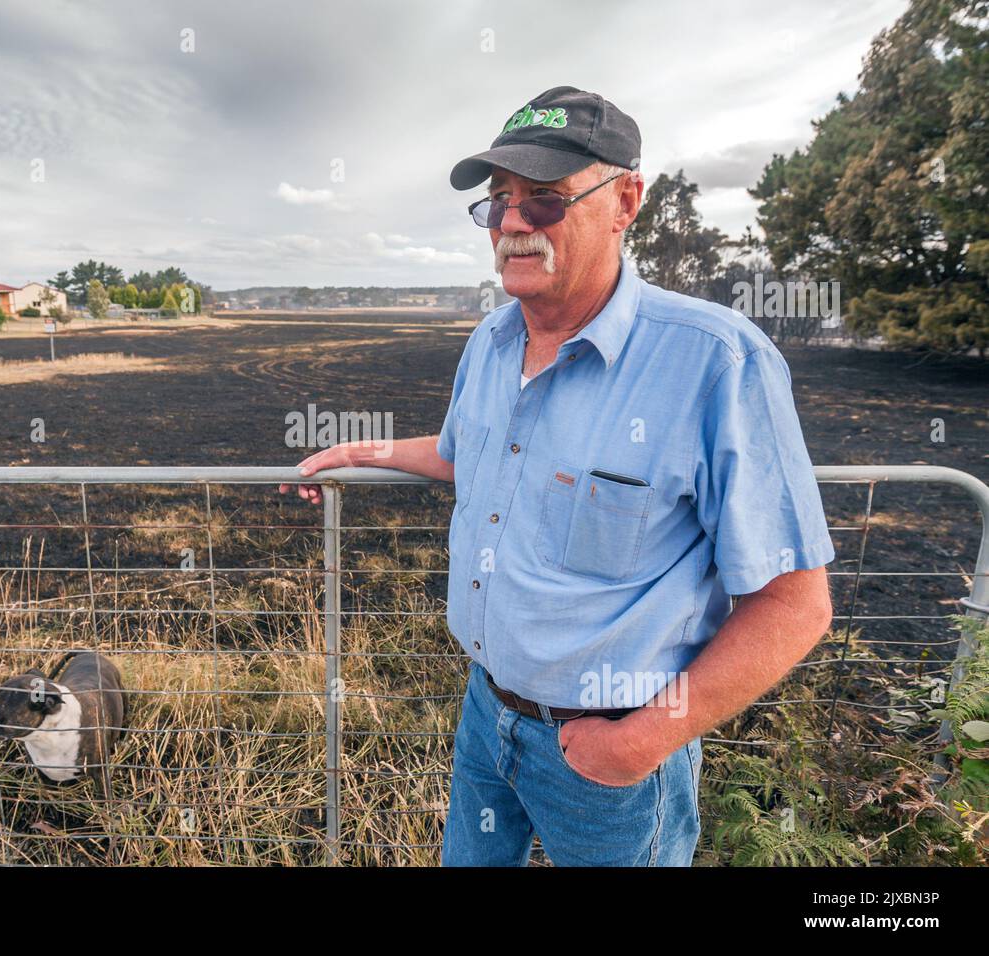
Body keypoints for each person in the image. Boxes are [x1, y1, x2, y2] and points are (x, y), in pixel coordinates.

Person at [280, 86, 835, 866]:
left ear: (626, 202)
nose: (511, 223)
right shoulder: (493, 342)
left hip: (612, 752)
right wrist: (358, 451)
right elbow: (458, 451)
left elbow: (793, 604)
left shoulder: (715, 362)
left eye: (543, 201)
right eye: (498, 201)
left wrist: (645, 741)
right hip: (486, 714)